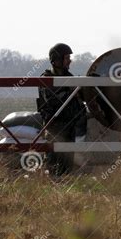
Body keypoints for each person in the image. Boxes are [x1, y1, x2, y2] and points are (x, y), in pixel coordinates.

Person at [36, 43, 87, 176]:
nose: (69, 60)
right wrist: (71, 90)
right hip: (54, 128)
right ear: (56, 60)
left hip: (70, 126)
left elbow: (80, 98)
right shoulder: (46, 79)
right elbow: (52, 100)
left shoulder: (70, 78)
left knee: (68, 164)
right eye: (66, 57)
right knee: (54, 162)